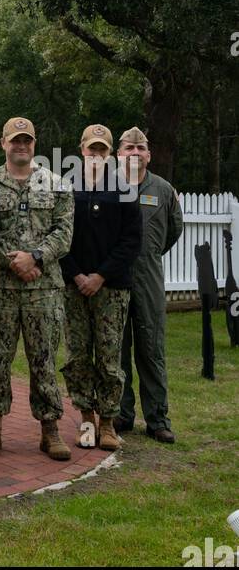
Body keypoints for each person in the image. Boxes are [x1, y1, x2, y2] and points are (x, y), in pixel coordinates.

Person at [0, 117, 73, 462]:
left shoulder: (57, 184)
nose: (21, 145)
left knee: (44, 360)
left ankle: (50, 430)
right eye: (15, 140)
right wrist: (12, 261)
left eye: (27, 140)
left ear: (34, 144)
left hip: (43, 291)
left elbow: (64, 233)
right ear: (3, 143)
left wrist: (34, 258)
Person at [60, 124, 142, 451]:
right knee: (78, 355)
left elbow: (131, 241)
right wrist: (78, 275)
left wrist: (101, 276)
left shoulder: (124, 189)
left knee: (109, 356)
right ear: (82, 150)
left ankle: (107, 421)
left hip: (111, 288)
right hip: (74, 286)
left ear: (110, 155)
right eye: (91, 149)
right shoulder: (66, 188)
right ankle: (85, 419)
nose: (96, 155)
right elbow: (59, 235)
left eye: (102, 150)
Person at [116, 127, 183, 443]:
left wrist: (146, 256)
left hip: (149, 279)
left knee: (151, 350)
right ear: (119, 154)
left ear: (149, 154)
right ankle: (121, 414)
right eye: (128, 147)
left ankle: (157, 419)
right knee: (116, 351)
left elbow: (172, 232)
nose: (134, 152)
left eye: (140, 147)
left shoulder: (164, 190)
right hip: (114, 279)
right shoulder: (106, 186)